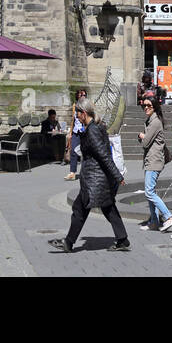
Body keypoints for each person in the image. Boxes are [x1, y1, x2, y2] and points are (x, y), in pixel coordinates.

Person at [49, 99, 130, 253]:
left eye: (77, 114)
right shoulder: (96, 126)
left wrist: (118, 176)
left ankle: (68, 242)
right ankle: (122, 239)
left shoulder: (93, 130)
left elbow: (104, 156)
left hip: (94, 179)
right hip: (98, 179)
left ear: (84, 113)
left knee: (80, 208)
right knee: (108, 208)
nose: (76, 117)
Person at [138, 94, 172, 233]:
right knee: (150, 191)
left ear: (154, 107)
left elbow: (146, 142)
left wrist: (142, 136)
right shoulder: (150, 121)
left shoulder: (155, 122)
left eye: (149, 105)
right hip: (150, 160)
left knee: (149, 192)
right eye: (144, 105)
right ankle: (154, 221)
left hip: (154, 161)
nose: (146, 108)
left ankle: (168, 217)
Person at [65, 88, 88, 181]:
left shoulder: (88, 105)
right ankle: (72, 173)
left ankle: (86, 172)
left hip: (85, 132)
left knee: (86, 152)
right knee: (73, 151)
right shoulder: (75, 105)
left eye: (84, 95)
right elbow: (73, 120)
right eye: (81, 95)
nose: (82, 97)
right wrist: (70, 132)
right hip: (76, 131)